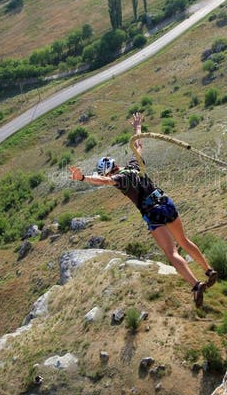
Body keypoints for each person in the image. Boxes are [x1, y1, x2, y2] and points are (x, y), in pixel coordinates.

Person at [69, 112, 217, 306]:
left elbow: (104, 180)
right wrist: (137, 127)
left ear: (107, 170)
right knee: (184, 240)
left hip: (152, 213)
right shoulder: (134, 165)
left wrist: (82, 178)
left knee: (172, 253)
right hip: (165, 202)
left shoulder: (119, 180)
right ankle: (208, 270)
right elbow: (138, 145)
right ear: (116, 164)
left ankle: (196, 285)